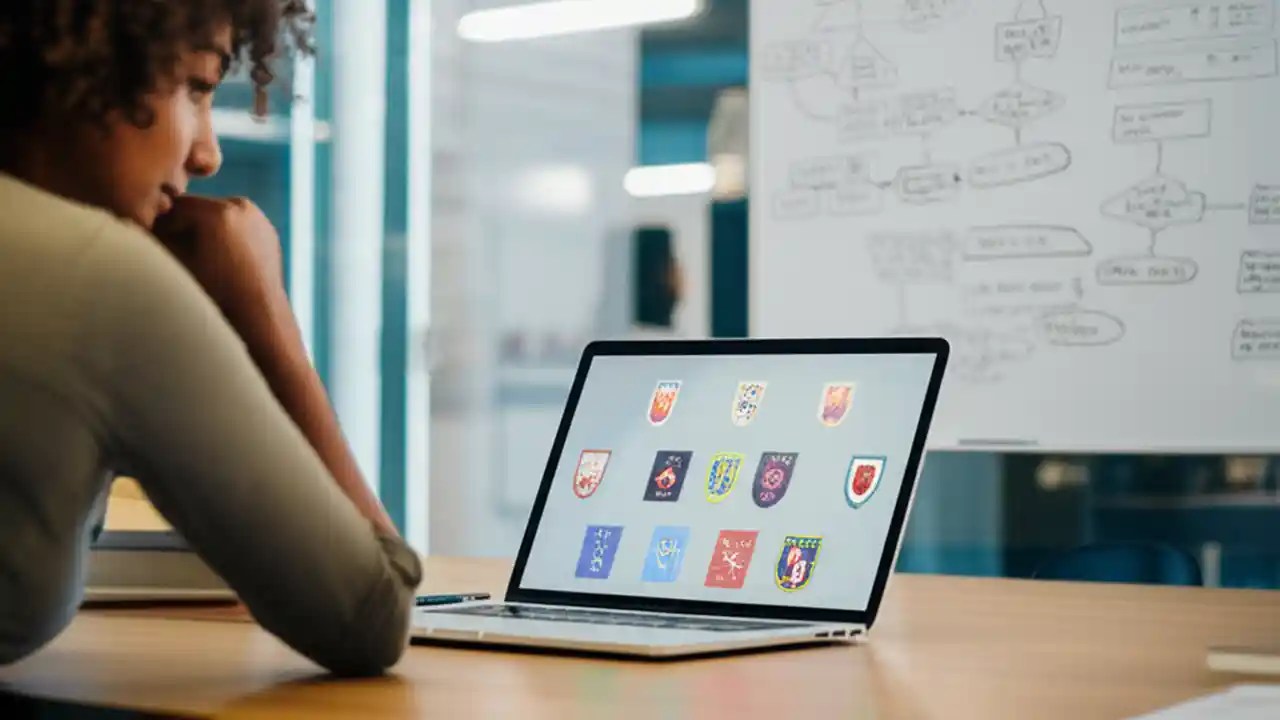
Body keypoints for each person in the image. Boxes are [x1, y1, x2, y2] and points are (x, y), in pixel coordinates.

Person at [0, 1, 421, 676]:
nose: (207, 153)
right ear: (82, 64)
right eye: (195, 88)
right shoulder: (100, 278)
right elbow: (371, 613)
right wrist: (266, 318)